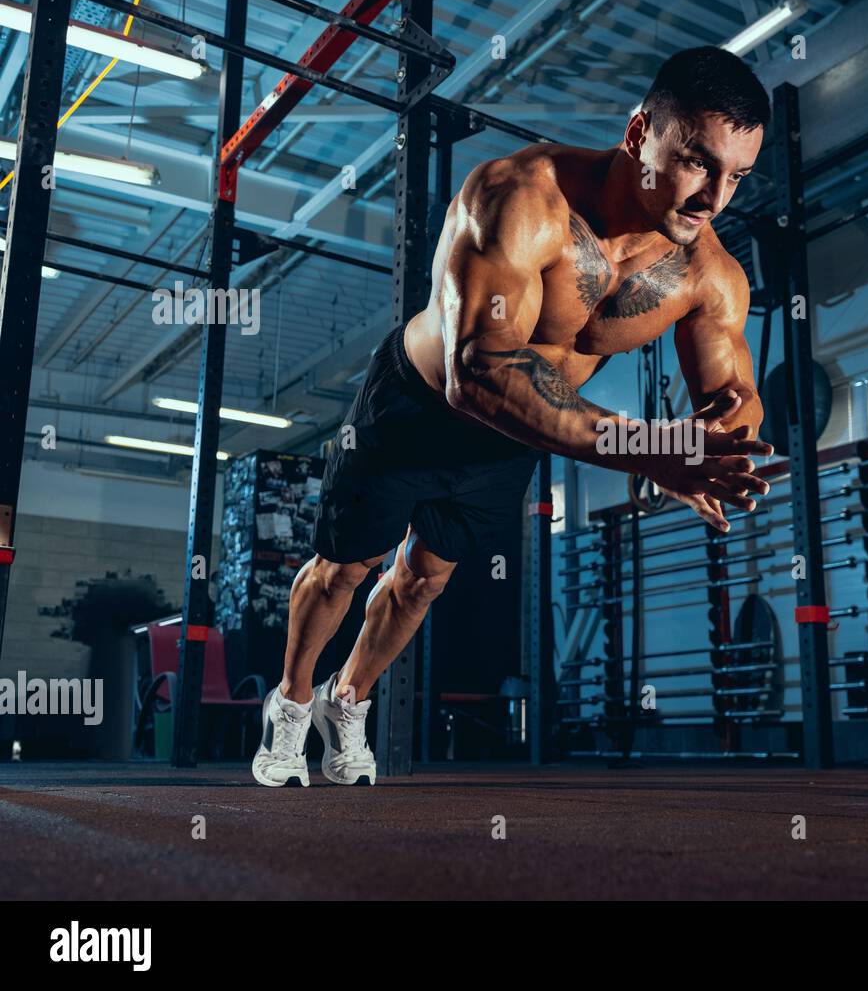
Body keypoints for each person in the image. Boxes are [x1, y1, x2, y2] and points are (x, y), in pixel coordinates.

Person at [252, 46, 775, 787]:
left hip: (512, 441)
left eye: (736, 177)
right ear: (638, 134)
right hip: (418, 406)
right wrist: (648, 447)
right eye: (696, 163)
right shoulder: (520, 197)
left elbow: (733, 396)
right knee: (344, 569)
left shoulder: (709, 277)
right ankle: (293, 700)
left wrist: (717, 445)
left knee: (422, 581)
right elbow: (480, 373)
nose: (713, 197)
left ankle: (348, 700)